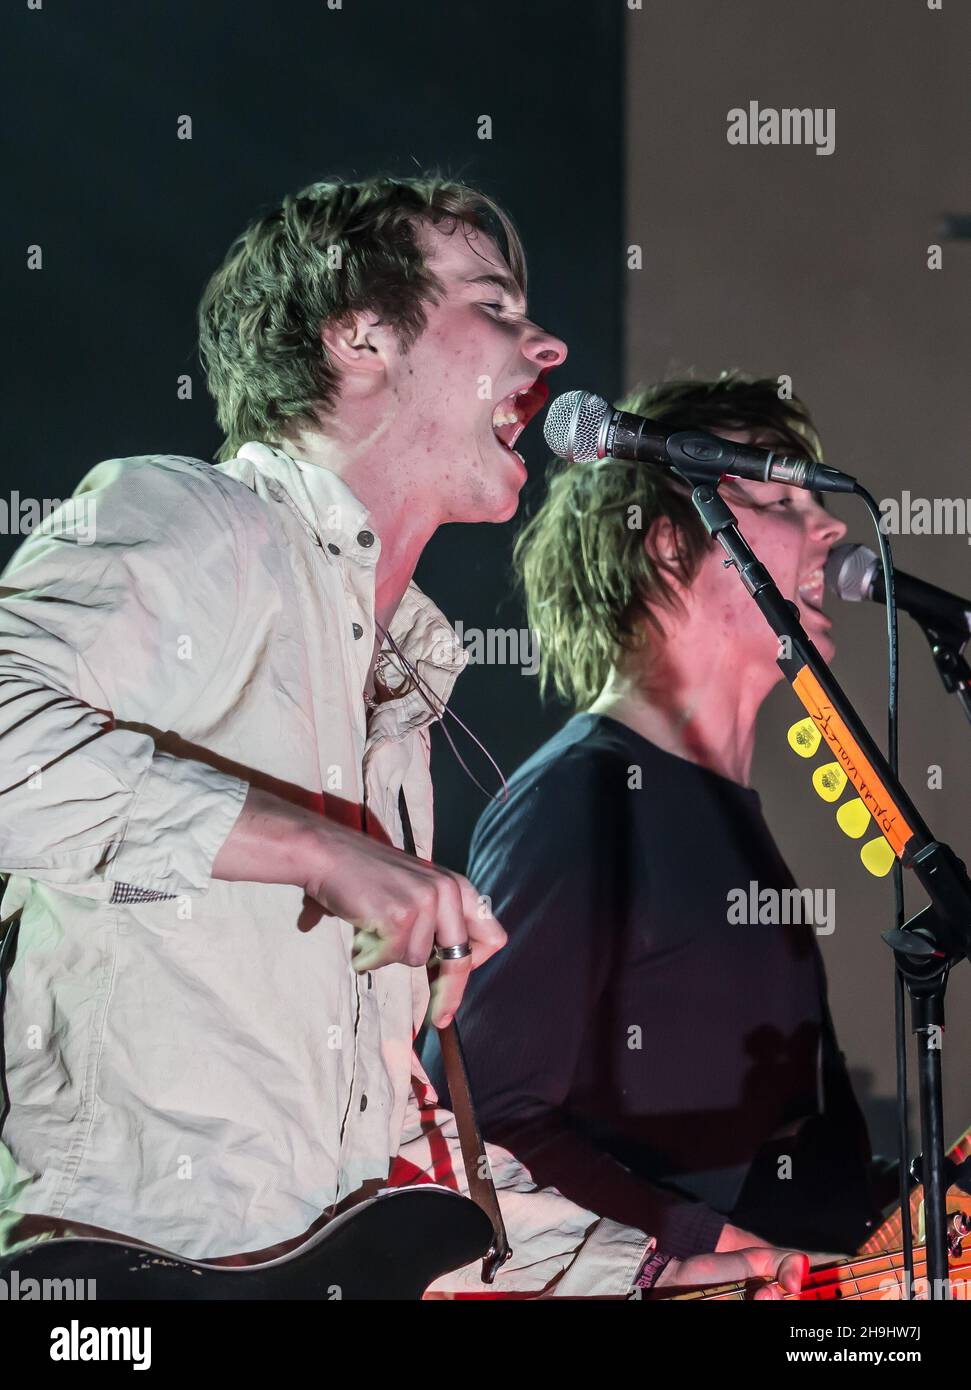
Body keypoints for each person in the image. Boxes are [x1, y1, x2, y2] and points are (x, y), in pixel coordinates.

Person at [0, 181, 805, 1298]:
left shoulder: (397, 682)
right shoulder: (200, 521)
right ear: (362, 338)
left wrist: (649, 1273)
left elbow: (391, 1178)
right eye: (495, 305)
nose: (549, 342)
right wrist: (324, 851)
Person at [422, 373, 881, 1259]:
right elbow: (484, 1120)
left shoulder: (715, 805)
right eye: (782, 499)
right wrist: (704, 1246)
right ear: (670, 543)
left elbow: (767, 1150)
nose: (827, 526)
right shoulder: (577, 800)